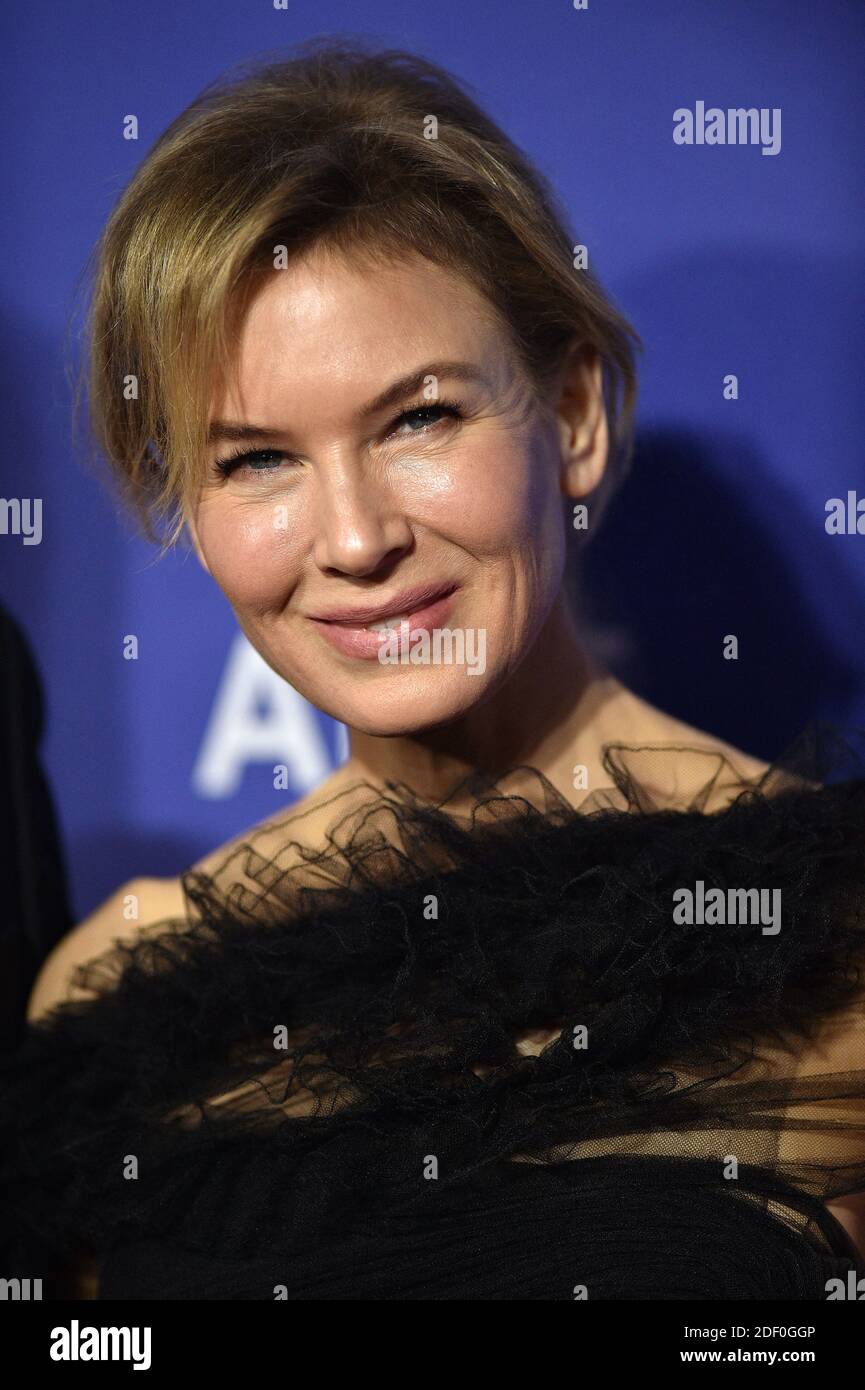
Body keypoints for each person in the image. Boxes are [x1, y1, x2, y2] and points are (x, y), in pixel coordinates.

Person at [3, 39, 865, 1301]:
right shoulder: (117, 994)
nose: (355, 540)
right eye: (254, 461)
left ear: (571, 415)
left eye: (419, 417)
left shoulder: (833, 945)